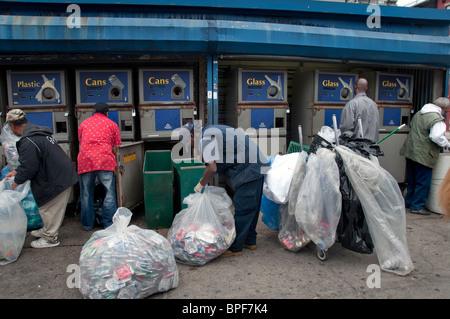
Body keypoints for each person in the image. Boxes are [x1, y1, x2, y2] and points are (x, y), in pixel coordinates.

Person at [181, 123, 269, 257]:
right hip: (256, 166)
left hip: (250, 169)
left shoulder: (206, 137)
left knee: (243, 208)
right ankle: (250, 241)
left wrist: (201, 184)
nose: (190, 146)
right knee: (251, 207)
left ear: (191, 136)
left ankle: (235, 248)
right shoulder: (210, 132)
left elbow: (212, 168)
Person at [5, 109, 78, 248]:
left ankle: (50, 237)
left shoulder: (28, 140)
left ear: (12, 126)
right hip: (62, 173)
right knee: (49, 206)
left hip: (56, 178)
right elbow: (34, 161)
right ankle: (46, 230)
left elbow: (29, 167)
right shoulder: (38, 134)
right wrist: (16, 171)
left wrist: (15, 183)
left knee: (49, 207)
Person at [400, 97, 450, 215]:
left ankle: (408, 202)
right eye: (446, 111)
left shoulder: (419, 113)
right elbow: (436, 136)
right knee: (423, 182)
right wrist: (447, 144)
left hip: (410, 151)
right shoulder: (437, 119)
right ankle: (417, 206)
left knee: (412, 180)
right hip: (423, 154)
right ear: (443, 109)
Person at [77, 102, 122, 230]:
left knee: (86, 193)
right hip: (104, 160)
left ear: (94, 111)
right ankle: (108, 224)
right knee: (109, 194)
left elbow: (82, 140)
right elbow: (117, 145)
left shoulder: (84, 123)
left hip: (86, 160)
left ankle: (87, 224)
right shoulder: (112, 124)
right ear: (107, 113)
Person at [339, 78, 380, 143]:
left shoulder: (352, 104)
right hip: (373, 147)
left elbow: (346, 128)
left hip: (358, 148)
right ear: (366, 88)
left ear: (355, 86)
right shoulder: (374, 105)